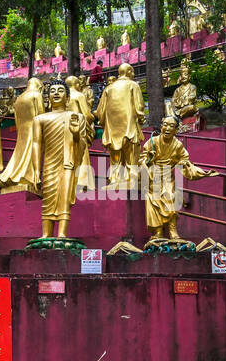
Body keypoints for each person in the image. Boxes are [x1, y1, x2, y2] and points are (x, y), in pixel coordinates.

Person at [34, 82, 94, 238]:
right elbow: (36, 145)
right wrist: (35, 170)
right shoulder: (40, 119)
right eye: (52, 91)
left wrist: (75, 134)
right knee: (48, 197)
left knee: (64, 197)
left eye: (60, 91)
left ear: (67, 97)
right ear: (47, 98)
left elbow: (81, 147)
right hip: (49, 164)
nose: (56, 93)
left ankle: (62, 234)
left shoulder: (76, 117)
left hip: (67, 163)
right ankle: (46, 234)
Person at [143, 117, 218, 240]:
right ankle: (157, 232)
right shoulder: (152, 142)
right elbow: (142, 160)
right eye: (165, 125)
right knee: (153, 202)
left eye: (171, 126)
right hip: (153, 176)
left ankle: (172, 230)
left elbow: (185, 159)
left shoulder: (177, 145)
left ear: (176, 130)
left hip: (167, 176)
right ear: (161, 126)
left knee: (171, 198)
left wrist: (194, 168)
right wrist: (149, 159)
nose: (167, 128)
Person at [95, 63, 146, 188]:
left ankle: (114, 179)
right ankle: (132, 178)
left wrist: (104, 124)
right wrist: (140, 117)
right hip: (130, 128)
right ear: (128, 72)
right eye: (132, 72)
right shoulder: (133, 85)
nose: (133, 75)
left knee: (115, 158)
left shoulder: (108, 89)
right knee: (131, 156)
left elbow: (100, 110)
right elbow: (139, 106)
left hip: (112, 130)